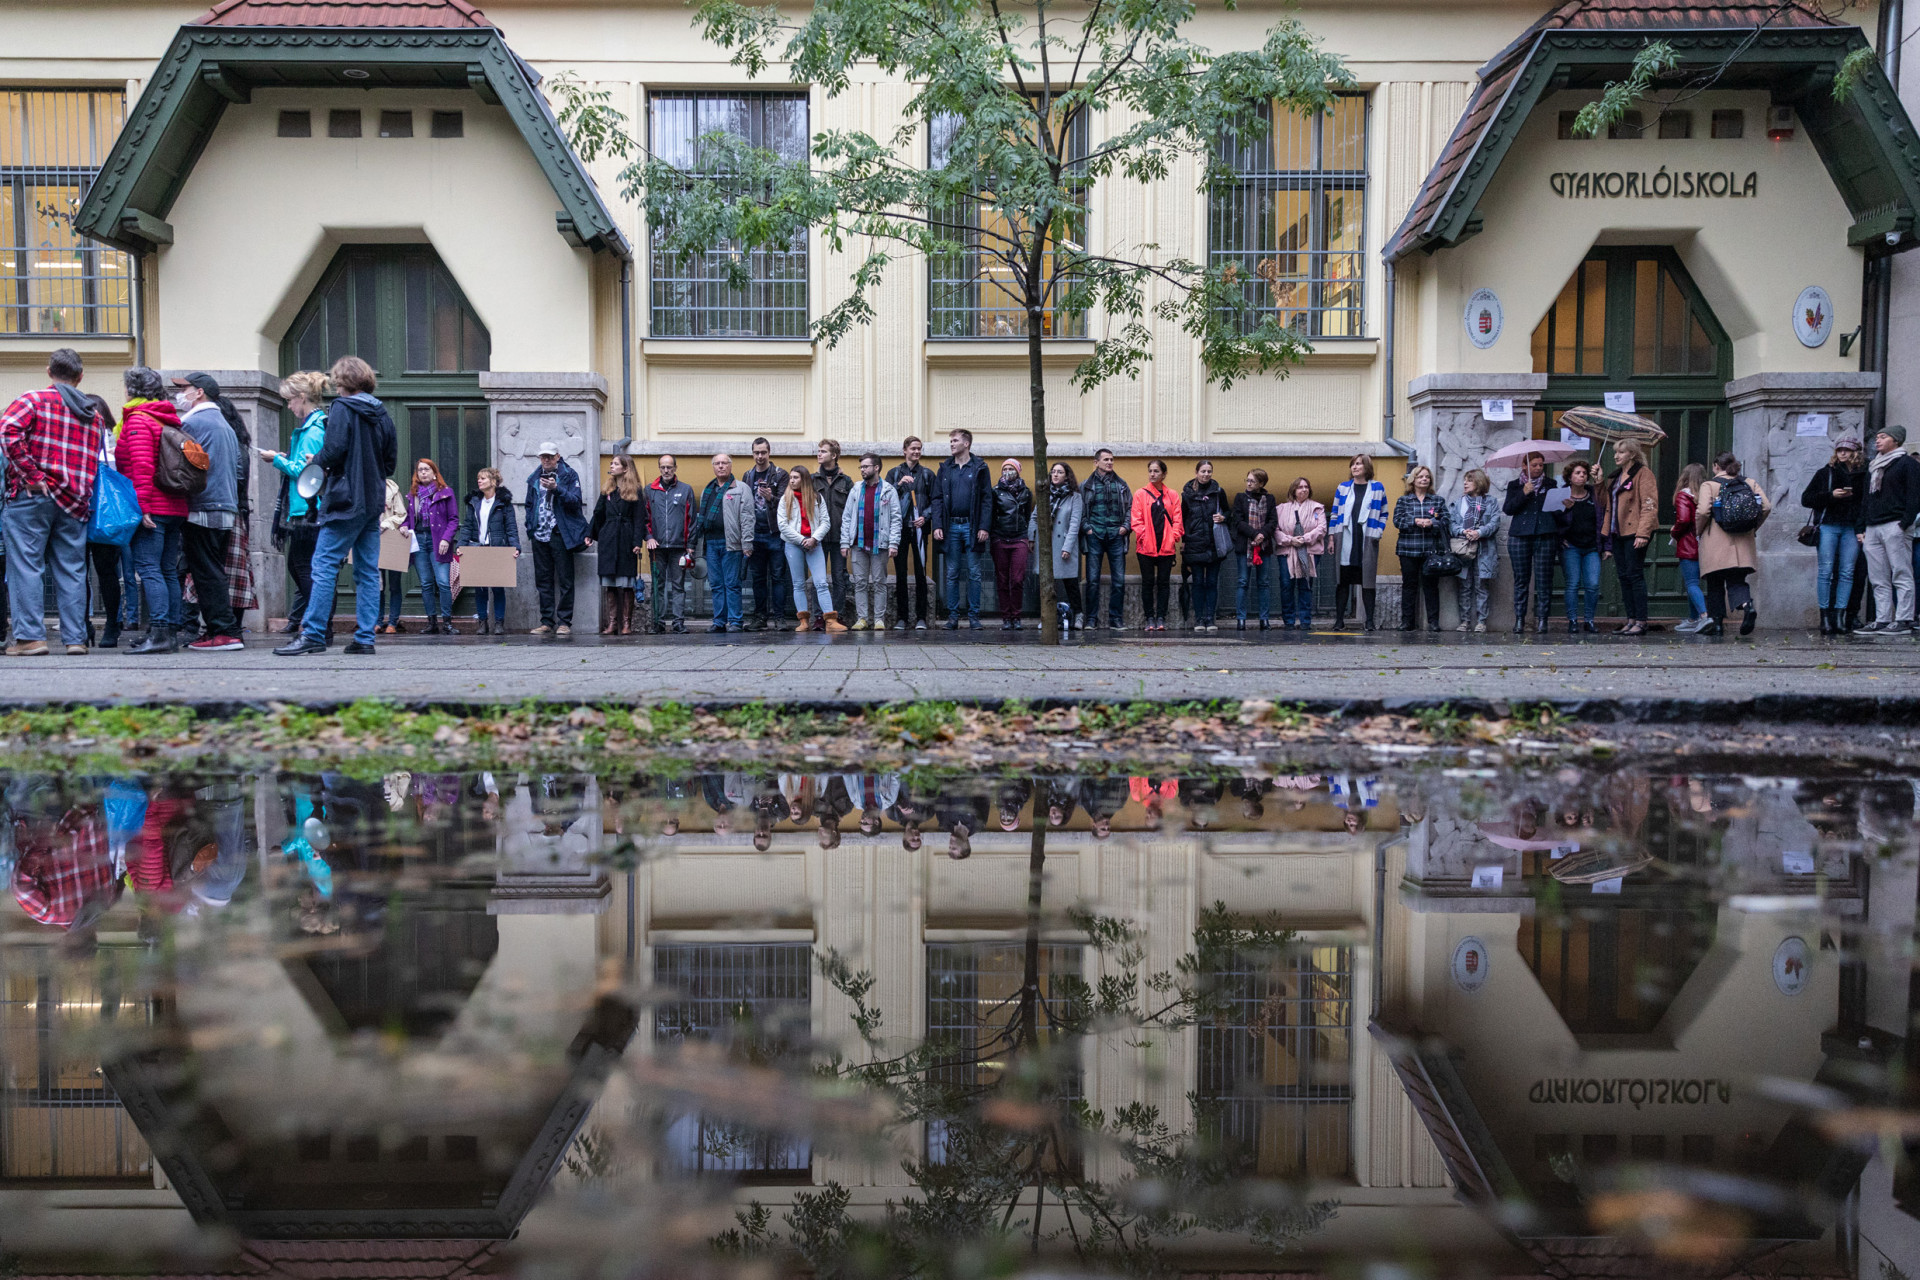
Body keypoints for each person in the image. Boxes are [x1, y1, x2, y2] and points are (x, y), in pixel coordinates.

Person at [273, 355, 398, 656]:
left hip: (345, 500)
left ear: (342, 381)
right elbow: (390, 463)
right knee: (368, 571)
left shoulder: (342, 407)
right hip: (372, 501)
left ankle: (314, 633)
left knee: (323, 565)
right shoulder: (381, 412)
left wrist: (315, 461)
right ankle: (365, 638)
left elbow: (333, 451)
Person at [1, 348, 103, 657]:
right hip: (75, 502)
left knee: (26, 566)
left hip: (32, 497)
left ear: (49, 371)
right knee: (73, 570)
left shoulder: (31, 400)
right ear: (80, 376)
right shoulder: (94, 415)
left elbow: (7, 432)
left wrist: (32, 475)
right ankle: (76, 640)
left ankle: (30, 638)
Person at [115, 368, 188, 656]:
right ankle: (168, 633)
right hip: (175, 506)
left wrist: (143, 507)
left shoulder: (139, 421)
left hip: (153, 508)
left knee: (148, 568)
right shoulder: (168, 419)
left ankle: (158, 633)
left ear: (131, 390)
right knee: (167, 569)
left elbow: (142, 467)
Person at [171, 374, 245, 651]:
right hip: (224, 507)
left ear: (199, 392)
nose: (181, 393)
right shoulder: (225, 425)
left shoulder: (194, 423)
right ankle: (221, 629)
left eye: (185, 388)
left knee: (206, 573)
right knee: (213, 570)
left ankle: (223, 631)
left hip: (202, 506)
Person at [261, 370, 330, 634]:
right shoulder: (312, 426)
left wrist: (277, 460)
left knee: (304, 568)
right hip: (307, 508)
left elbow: (305, 472)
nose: (288, 406)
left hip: (309, 509)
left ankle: (320, 625)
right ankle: (320, 623)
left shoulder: (312, 430)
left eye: (290, 400)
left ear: (302, 397)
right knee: (305, 567)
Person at [1694, 451, 1771, 636]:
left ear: (1716, 466)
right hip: (1743, 542)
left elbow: (1703, 511)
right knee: (1737, 581)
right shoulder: (1749, 483)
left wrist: (1698, 531)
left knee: (1715, 584)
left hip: (1715, 543)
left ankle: (1717, 625)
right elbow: (1766, 506)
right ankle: (1747, 606)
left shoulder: (1709, 485)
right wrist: (1753, 527)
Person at [1858, 424, 1920, 636]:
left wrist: (1905, 523)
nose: (1878, 440)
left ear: (1896, 440)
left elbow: (1914, 496)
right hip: (1872, 526)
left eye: (1883, 437)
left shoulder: (1907, 464)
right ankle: (1882, 619)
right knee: (1878, 576)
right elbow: (1866, 499)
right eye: (1877, 437)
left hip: (1895, 524)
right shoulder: (1874, 466)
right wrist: (1861, 526)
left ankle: (1904, 618)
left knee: (1901, 572)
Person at [1801, 438, 1866, 635]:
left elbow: (1866, 503)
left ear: (1855, 452)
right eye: (1839, 450)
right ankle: (1825, 618)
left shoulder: (1863, 474)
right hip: (1828, 526)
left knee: (1847, 572)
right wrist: (1831, 495)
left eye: (1847, 450)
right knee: (1826, 571)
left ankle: (1840, 617)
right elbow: (1806, 498)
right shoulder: (1826, 472)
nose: (1842, 453)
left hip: (1851, 527)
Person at [929, 428, 991, 629]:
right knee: (952, 573)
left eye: (955, 441)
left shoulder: (980, 467)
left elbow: (987, 499)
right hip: (951, 526)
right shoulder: (945, 468)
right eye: (951, 441)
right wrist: (938, 524)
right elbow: (937, 498)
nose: (951, 444)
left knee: (974, 573)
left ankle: (974, 617)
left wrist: (984, 526)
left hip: (972, 526)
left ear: (966, 443)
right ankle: (953, 617)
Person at [525, 441, 587, 636]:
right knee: (543, 580)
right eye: (543, 457)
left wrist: (556, 488)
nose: (546, 460)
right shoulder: (534, 477)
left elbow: (576, 502)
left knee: (565, 580)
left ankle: (564, 622)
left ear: (558, 457)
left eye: (550, 457)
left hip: (560, 534)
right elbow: (529, 504)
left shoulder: (569, 475)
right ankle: (546, 622)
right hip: (539, 534)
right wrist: (530, 525)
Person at [1600, 439, 1659, 636]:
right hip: (1618, 531)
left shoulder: (1643, 473)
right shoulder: (1615, 476)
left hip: (1636, 531)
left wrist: (1643, 533)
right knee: (1624, 576)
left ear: (1632, 454)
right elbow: (1604, 503)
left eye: (1621, 452)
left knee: (1634, 575)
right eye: (1616, 452)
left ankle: (1641, 621)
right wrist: (1599, 481)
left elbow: (1650, 504)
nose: (1616, 456)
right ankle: (1631, 619)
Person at [840, 451, 902, 631]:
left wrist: (893, 543)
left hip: (879, 544)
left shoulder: (889, 490)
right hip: (858, 544)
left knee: (879, 583)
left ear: (876, 467)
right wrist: (844, 542)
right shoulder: (856, 489)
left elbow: (896, 518)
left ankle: (879, 619)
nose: (862, 470)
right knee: (860, 583)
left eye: (866, 466)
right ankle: (862, 619)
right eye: (861, 467)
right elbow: (847, 517)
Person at [81, 393, 124, 648]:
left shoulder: (108, 441)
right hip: (107, 516)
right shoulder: (114, 438)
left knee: (79, 572)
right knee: (106, 572)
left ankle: (87, 625)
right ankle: (110, 626)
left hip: (83, 511)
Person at [779, 464, 843, 631]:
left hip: (814, 544)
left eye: (795, 477)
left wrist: (814, 538)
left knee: (821, 582)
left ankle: (830, 621)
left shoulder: (817, 498)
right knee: (798, 583)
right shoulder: (785, 499)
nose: (791, 481)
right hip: (793, 545)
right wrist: (802, 540)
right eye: (791, 478)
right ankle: (803, 622)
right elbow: (782, 525)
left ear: (805, 480)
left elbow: (825, 522)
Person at [403, 457, 460, 635]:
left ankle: (447, 623)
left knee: (443, 582)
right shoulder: (413, 495)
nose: (423, 472)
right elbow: (408, 518)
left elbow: (454, 520)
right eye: (420, 470)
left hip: (438, 541)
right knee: (426, 583)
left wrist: (446, 539)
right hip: (419, 541)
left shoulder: (446, 492)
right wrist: (404, 525)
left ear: (434, 473)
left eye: (427, 469)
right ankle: (432, 623)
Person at [1503, 451, 1559, 633]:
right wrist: (1524, 493)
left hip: (1545, 534)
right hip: (1520, 535)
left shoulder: (1551, 484)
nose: (1538, 468)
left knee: (1544, 579)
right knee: (1521, 579)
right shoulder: (1515, 485)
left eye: (1541, 465)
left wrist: (1564, 506)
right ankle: (1519, 619)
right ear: (1524, 466)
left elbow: (1556, 512)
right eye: (1534, 465)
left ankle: (1543, 620)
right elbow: (1508, 509)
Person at [1330, 453, 1386, 631]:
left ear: (1367, 467)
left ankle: (1369, 621)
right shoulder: (1343, 487)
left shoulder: (1377, 488)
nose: (1354, 467)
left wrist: (1378, 531)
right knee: (1342, 580)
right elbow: (1334, 513)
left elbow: (1384, 513)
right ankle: (1339, 621)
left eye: (1359, 464)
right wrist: (1331, 537)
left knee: (1367, 580)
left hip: (1367, 537)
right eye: (1353, 464)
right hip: (1345, 536)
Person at [589, 453, 645, 635]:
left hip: (626, 539)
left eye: (615, 464)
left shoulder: (636, 490)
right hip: (608, 539)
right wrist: (590, 534)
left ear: (625, 468)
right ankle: (612, 623)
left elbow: (639, 519)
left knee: (627, 582)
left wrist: (637, 542)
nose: (611, 466)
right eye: (611, 463)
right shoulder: (607, 489)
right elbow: (598, 513)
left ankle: (627, 624)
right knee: (610, 583)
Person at [460, 466, 519, 635]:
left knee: (498, 587)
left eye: (483, 478)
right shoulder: (474, 502)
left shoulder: (503, 503)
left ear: (493, 481)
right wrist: (461, 545)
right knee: (480, 588)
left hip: (496, 548)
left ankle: (499, 623)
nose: (479, 481)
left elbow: (511, 528)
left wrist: (515, 547)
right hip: (477, 548)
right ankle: (482, 622)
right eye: (478, 478)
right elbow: (467, 526)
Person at [1391, 463, 1450, 632]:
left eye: (1427, 477)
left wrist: (1432, 522)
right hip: (1408, 549)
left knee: (1431, 586)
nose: (1424, 479)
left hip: (1431, 550)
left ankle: (1433, 622)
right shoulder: (1404, 500)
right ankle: (1407, 622)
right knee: (1409, 586)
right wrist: (1415, 521)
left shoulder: (1437, 500)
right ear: (1413, 480)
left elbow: (1446, 520)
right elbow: (1397, 521)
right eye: (1421, 476)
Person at [642, 453, 695, 633]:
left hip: (679, 547)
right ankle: (658, 622)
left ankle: (678, 622)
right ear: (659, 468)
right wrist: (649, 537)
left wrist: (691, 545)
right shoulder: (649, 490)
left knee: (678, 586)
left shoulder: (686, 490)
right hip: (656, 548)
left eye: (669, 467)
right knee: (657, 585)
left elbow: (692, 519)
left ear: (675, 468)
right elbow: (644, 518)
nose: (666, 470)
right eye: (663, 467)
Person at [886, 436, 935, 630]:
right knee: (900, 574)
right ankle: (902, 618)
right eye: (913, 448)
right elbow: (885, 499)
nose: (916, 452)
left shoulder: (927, 474)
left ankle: (921, 617)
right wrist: (898, 485)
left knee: (921, 573)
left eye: (919, 448)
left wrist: (925, 516)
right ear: (904, 450)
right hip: (899, 530)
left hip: (920, 529)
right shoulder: (893, 473)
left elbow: (936, 501)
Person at [1029, 461, 1084, 632]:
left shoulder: (1075, 497)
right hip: (1046, 544)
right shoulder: (1045, 495)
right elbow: (1034, 517)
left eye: (1060, 472)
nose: (1055, 475)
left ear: (1067, 476)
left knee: (1070, 583)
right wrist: (1031, 537)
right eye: (1053, 472)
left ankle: (1078, 614)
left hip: (1064, 544)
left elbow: (1074, 523)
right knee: (1047, 583)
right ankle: (1048, 617)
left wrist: (1067, 547)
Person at [699, 452, 751, 633]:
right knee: (716, 585)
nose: (721, 466)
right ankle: (719, 621)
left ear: (730, 466)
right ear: (713, 467)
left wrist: (747, 543)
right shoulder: (708, 490)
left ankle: (735, 621)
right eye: (717, 463)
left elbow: (747, 518)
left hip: (732, 543)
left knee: (732, 584)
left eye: (724, 463)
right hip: (711, 543)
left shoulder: (741, 488)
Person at [1080, 447, 1132, 629]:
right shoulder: (1086, 485)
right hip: (1094, 535)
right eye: (1106, 460)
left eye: (1111, 459)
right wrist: (1087, 528)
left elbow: (1130, 508)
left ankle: (1115, 619)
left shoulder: (1121, 485)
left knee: (1119, 581)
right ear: (1096, 463)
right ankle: (1091, 619)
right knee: (1092, 581)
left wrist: (1125, 527)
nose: (1110, 462)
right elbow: (1080, 510)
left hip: (1116, 535)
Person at [742, 436, 790, 631]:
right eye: (756, 453)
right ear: (752, 454)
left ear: (769, 453)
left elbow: (788, 503)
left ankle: (779, 618)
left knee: (778, 577)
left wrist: (772, 498)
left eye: (763, 452)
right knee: (758, 578)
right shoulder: (748, 475)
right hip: (755, 534)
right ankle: (760, 617)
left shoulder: (780, 474)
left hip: (775, 533)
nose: (760, 456)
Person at [1129, 457, 1181, 632]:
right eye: (1150, 471)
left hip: (1166, 547)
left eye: (1156, 471)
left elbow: (1178, 519)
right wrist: (1144, 537)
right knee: (1148, 583)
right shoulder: (1140, 494)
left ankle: (1161, 617)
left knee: (1164, 583)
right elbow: (1136, 520)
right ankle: (1149, 617)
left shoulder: (1172, 495)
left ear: (1163, 474)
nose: (1152, 474)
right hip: (1146, 548)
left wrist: (1173, 537)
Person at [1180, 460, 1229, 632]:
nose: (1206, 474)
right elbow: (1182, 519)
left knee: (1212, 582)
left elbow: (1228, 511)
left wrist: (1223, 517)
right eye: (1203, 471)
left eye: (1209, 471)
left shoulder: (1218, 492)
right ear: (1196, 473)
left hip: (1214, 543)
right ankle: (1199, 619)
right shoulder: (1187, 494)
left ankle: (1210, 618)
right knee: (1198, 582)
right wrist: (1184, 541)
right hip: (1194, 543)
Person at [1555, 460, 1602, 634]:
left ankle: (1589, 620)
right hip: (1571, 547)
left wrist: (1606, 546)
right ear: (1569, 477)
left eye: (1584, 473)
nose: (1582, 475)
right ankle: (1573, 620)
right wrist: (1560, 538)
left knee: (1593, 584)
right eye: (1577, 473)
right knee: (1573, 584)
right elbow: (1554, 521)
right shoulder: (1561, 496)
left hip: (1592, 547)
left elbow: (1602, 519)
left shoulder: (1594, 495)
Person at [988, 457, 1034, 630]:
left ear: (1018, 471)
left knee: (1017, 579)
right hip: (1000, 538)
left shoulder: (1026, 492)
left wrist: (1027, 535)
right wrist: (994, 536)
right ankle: (1006, 617)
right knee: (1002, 579)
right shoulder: (995, 491)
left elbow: (1027, 516)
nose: (1008, 472)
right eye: (1005, 469)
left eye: (1011, 468)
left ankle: (1017, 616)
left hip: (1019, 538)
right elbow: (991, 514)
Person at [1274, 476, 1325, 631]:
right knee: (1286, 585)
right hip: (1287, 551)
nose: (1304, 489)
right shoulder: (1281, 509)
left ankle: (1305, 621)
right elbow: (1275, 530)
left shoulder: (1317, 508)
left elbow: (1321, 528)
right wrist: (1290, 540)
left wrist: (1304, 538)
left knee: (1305, 585)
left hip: (1308, 551)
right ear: (1293, 490)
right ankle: (1288, 621)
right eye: (1300, 487)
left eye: (1306, 487)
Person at [1453, 468, 1500, 633]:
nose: (1465, 483)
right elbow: (1452, 523)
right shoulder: (1459, 502)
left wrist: (1479, 532)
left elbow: (1494, 523)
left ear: (1479, 482)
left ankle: (1481, 622)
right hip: (1464, 548)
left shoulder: (1491, 502)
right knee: (1464, 585)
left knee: (1481, 585)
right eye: (1465, 480)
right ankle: (1464, 621)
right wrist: (1463, 531)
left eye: (1469, 480)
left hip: (1484, 549)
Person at [1230, 468, 1276, 630]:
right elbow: (1238, 521)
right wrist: (1255, 534)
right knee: (1243, 582)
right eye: (1247, 480)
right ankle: (1241, 619)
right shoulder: (1240, 498)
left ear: (1261, 484)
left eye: (1252, 481)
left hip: (1264, 546)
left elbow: (1273, 521)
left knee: (1263, 582)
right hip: (1245, 546)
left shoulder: (1269, 499)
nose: (1249, 484)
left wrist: (1262, 534)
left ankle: (1264, 619)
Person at [813, 439, 853, 617]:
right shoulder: (812, 480)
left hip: (839, 538)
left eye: (823, 451)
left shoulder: (846, 481)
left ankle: (838, 616)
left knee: (839, 578)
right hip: (817, 538)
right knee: (818, 579)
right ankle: (818, 617)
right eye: (819, 451)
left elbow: (851, 512)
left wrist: (848, 538)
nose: (819, 454)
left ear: (834, 455)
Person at [1671, 462, 1710, 633]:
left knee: (1692, 583)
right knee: (1693, 583)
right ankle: (1693, 619)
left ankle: (1704, 616)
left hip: (1688, 544)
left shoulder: (1683, 496)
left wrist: (1674, 532)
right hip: (1705, 544)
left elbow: (1684, 519)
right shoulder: (1706, 496)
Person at [375, 478, 406, 636]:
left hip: (392, 540)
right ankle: (377, 621)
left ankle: (393, 622)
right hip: (372, 540)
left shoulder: (392, 489)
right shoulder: (363, 485)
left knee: (394, 584)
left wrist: (385, 524)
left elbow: (401, 514)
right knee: (377, 584)